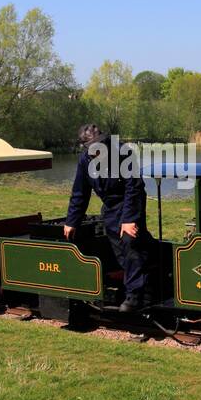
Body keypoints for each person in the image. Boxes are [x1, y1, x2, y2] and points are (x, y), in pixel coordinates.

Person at [63, 124, 151, 313]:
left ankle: (135, 296)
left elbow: (134, 187)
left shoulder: (123, 153)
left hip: (130, 203)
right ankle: (140, 281)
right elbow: (80, 192)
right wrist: (71, 221)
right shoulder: (84, 161)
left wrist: (129, 219)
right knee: (119, 250)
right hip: (110, 207)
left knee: (130, 241)